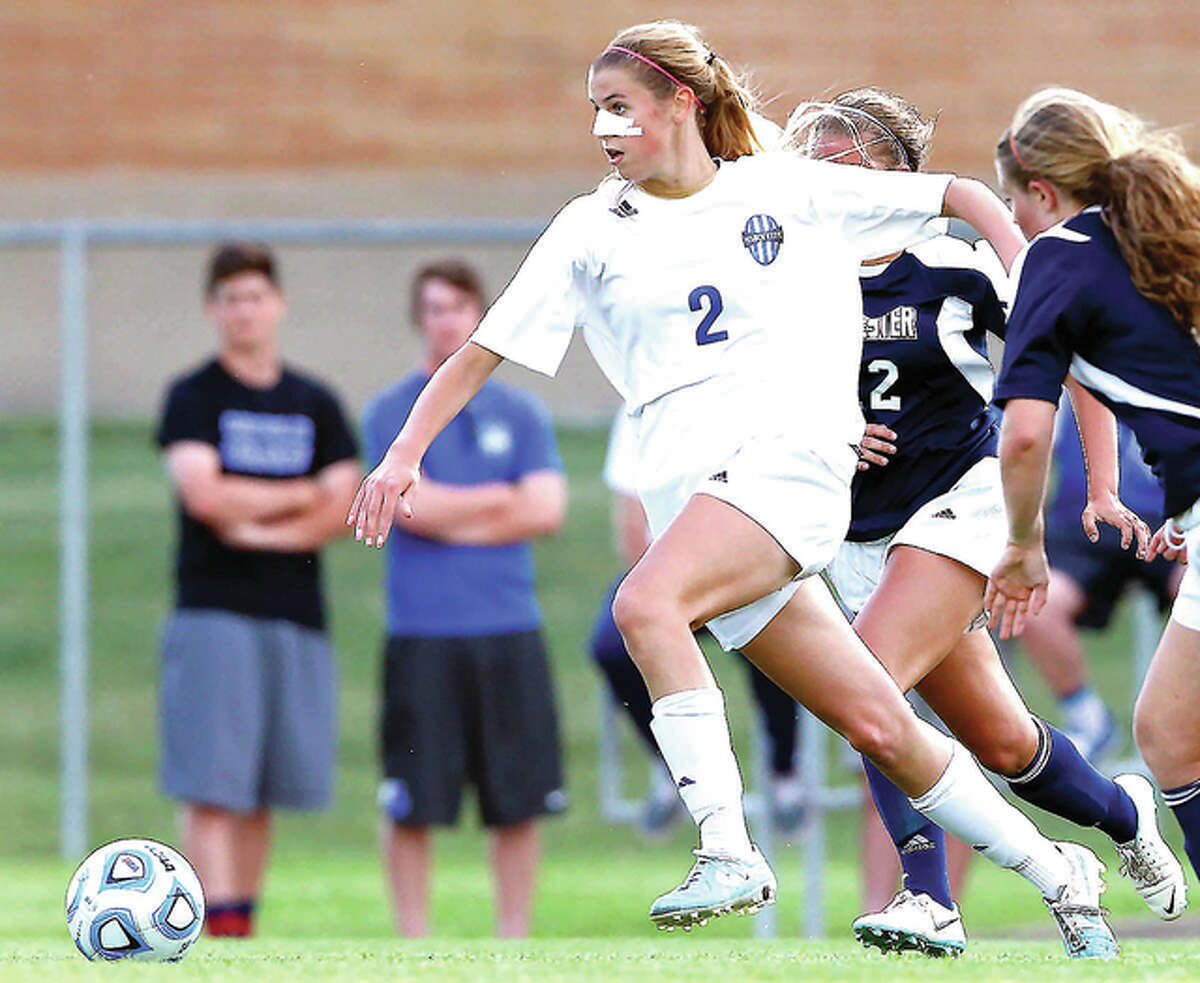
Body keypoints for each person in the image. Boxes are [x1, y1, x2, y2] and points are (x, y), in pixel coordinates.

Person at [348, 20, 1121, 956]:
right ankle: (1059, 871)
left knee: (645, 604)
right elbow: (482, 352)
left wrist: (1026, 265)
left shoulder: (783, 188)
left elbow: (954, 193)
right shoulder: (593, 225)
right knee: (880, 721)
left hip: (789, 468)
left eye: (621, 106)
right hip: (698, 500)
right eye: (595, 110)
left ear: (683, 104)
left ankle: (726, 845)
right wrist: (402, 453)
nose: (604, 127)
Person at [783, 88, 1185, 957]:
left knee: (868, 689)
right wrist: (823, 437)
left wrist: (1103, 487)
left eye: (840, 155)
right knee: (1002, 741)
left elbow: (1073, 361)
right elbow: (760, 400)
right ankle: (1113, 822)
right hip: (857, 535)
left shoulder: (953, 261)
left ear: (894, 170)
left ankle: (927, 896)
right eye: (810, 156)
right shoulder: (794, 279)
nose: (820, 173)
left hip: (960, 505)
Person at [985, 86, 1200, 899]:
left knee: (1172, 735)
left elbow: (1029, 432)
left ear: (1041, 191)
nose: (1016, 219)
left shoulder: (1059, 252)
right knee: (1170, 732)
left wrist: (1022, 544)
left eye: (1012, 201)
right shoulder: (1171, 222)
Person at [156, 241, 360, 937]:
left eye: (255, 296)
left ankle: (240, 923)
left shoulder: (315, 401)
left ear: (277, 304)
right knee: (213, 783)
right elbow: (204, 495)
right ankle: (203, 922)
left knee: (264, 789)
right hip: (215, 611)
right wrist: (301, 495)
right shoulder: (194, 396)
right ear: (214, 310)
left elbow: (343, 502)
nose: (244, 310)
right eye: (230, 298)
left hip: (295, 614)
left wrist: (272, 519)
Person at [363, 259, 567, 938]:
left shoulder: (521, 411)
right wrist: (498, 501)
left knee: (516, 800)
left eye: (459, 307)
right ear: (419, 320)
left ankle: (513, 936)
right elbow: (404, 505)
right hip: (423, 631)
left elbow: (546, 508)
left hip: (507, 627)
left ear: (481, 315)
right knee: (412, 802)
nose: (447, 320)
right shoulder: (390, 414)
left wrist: (453, 507)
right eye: (434, 308)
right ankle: (412, 937)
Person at [587, 410, 804, 836]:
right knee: (613, 646)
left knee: (774, 642)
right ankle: (676, 768)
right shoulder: (639, 405)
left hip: (745, 563)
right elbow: (631, 525)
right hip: (667, 570)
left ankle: (784, 770)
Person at [1020, 397, 1179, 759]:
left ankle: (1185, 720)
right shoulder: (1071, 372)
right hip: (1086, 527)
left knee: (1195, 585)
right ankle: (1088, 718)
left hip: (1172, 522)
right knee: (1034, 597)